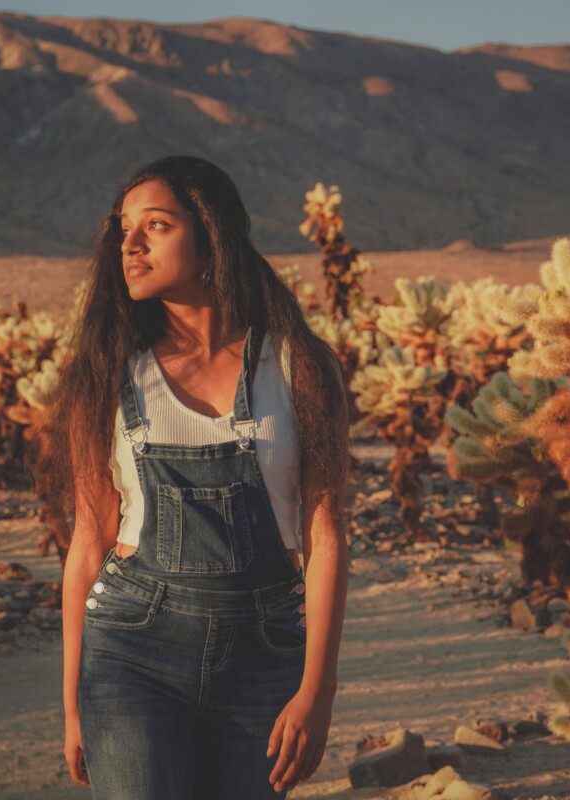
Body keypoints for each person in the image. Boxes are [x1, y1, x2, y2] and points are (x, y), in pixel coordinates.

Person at [31, 155, 351, 799]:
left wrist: (317, 690)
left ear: (211, 238)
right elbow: (88, 542)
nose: (130, 243)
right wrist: (73, 704)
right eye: (124, 228)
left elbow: (326, 536)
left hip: (265, 654)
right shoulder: (108, 371)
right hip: (130, 652)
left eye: (156, 225)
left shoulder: (298, 367)